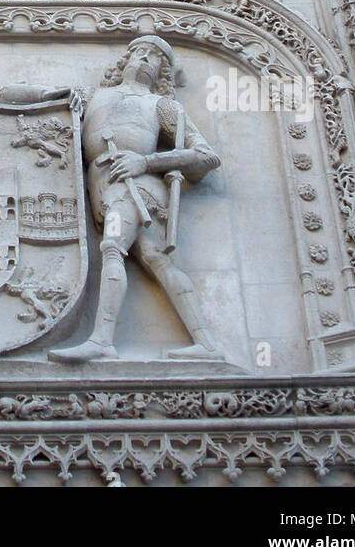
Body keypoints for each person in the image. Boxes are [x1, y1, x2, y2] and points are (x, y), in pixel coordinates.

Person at [48, 36, 223, 363]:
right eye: (139, 52)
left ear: (162, 74)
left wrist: (146, 162)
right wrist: (51, 95)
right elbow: (11, 95)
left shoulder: (161, 105)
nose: (144, 59)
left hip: (137, 186)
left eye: (153, 57)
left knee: (113, 247)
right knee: (158, 260)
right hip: (103, 185)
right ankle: (207, 344)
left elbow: (206, 156)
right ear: (124, 61)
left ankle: (102, 340)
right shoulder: (94, 97)